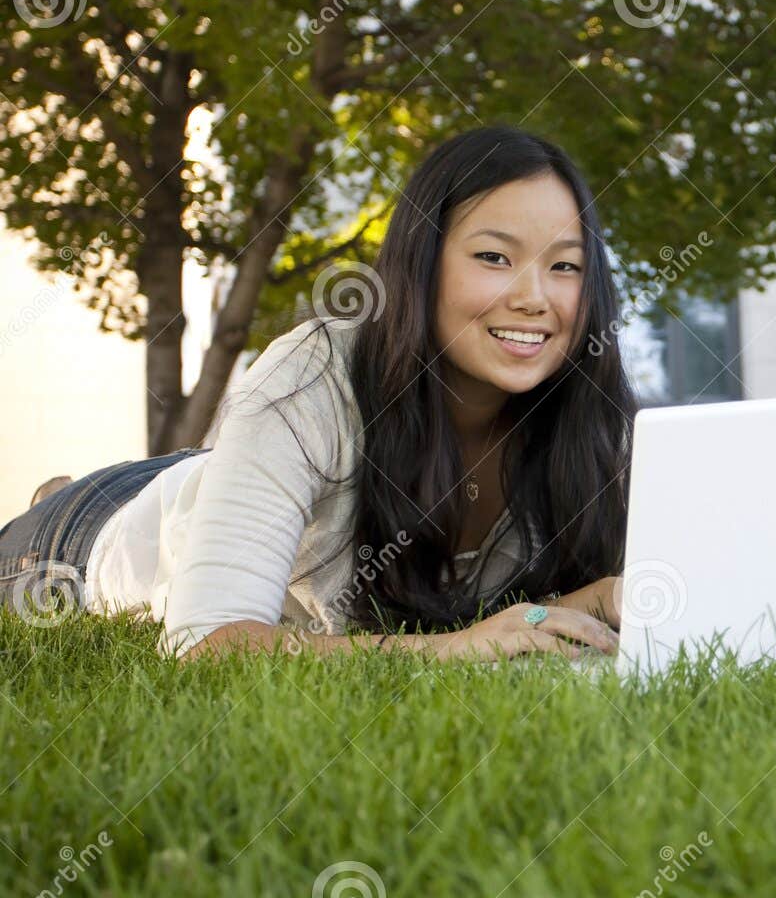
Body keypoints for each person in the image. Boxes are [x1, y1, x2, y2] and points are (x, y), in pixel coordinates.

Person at [0, 125, 632, 665]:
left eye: (566, 265)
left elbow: (502, 619)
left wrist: (600, 600)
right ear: (422, 262)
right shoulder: (314, 373)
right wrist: (457, 649)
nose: (535, 297)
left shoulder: (588, 410)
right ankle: (60, 495)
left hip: (215, 475)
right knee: (142, 509)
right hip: (84, 541)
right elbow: (208, 644)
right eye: (494, 257)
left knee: (204, 481)